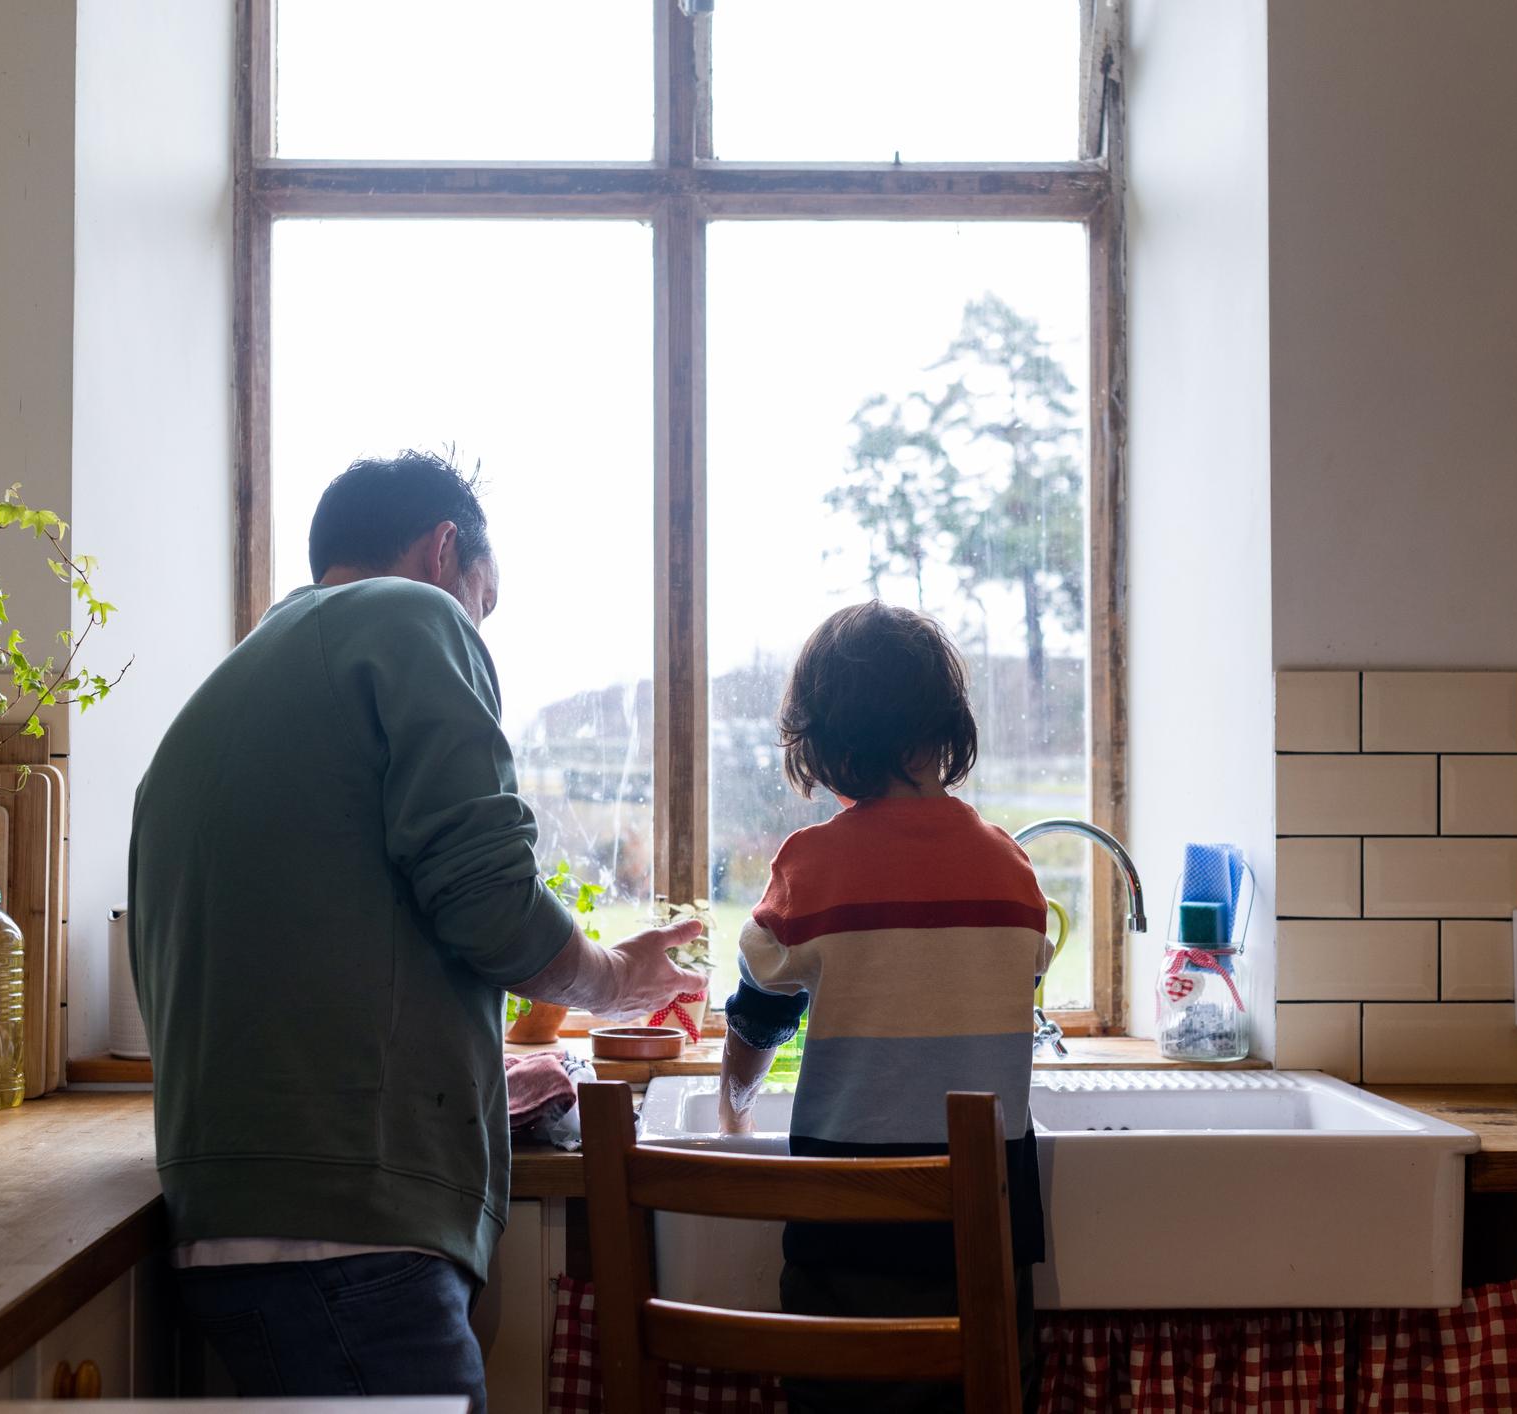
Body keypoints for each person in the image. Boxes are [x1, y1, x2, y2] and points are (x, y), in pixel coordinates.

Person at [129, 451, 703, 1411]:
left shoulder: (231, 688)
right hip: (349, 1230)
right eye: (485, 598)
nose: (477, 624)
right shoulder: (414, 616)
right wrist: (615, 980)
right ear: (445, 553)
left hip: (232, 1223)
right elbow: (486, 899)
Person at [716, 601, 1049, 1414]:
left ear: (825, 745)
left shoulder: (812, 864)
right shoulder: (1011, 869)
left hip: (845, 1229)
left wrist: (736, 1103)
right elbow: (1015, 985)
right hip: (983, 1233)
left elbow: (759, 1014)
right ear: (945, 729)